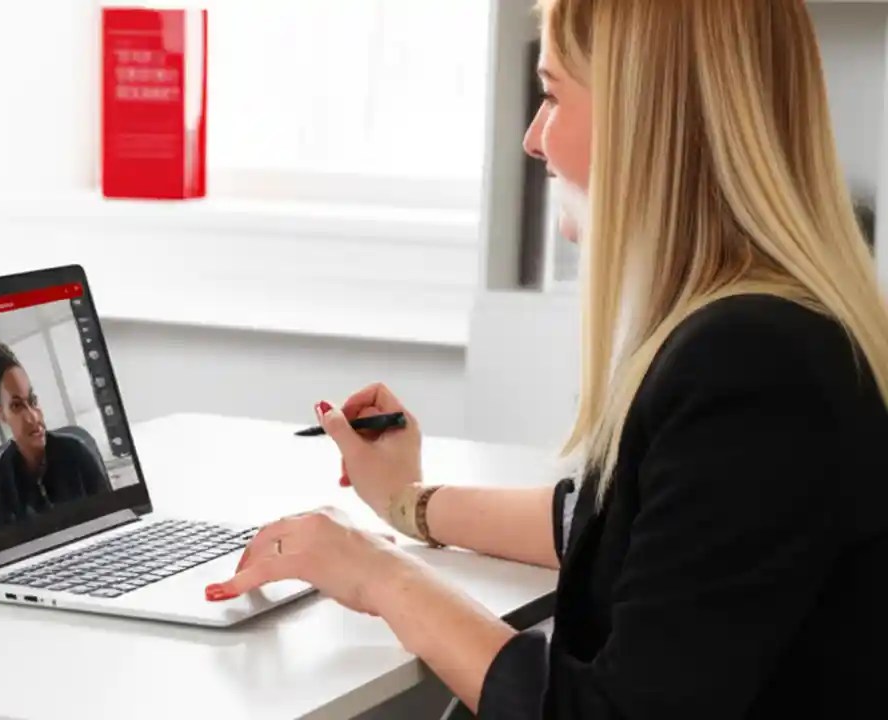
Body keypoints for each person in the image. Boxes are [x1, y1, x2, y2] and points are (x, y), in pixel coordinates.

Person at [206, 1, 888, 717]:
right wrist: (408, 506)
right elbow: (606, 522)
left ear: (642, 118)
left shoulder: (750, 365)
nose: (533, 138)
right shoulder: (779, 328)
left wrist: (379, 575)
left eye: (554, 94)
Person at [0, 341, 112, 526]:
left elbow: (112, 516)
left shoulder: (77, 452)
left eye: (33, 400)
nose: (33, 417)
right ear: (1, 414)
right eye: (16, 405)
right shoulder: (1, 479)